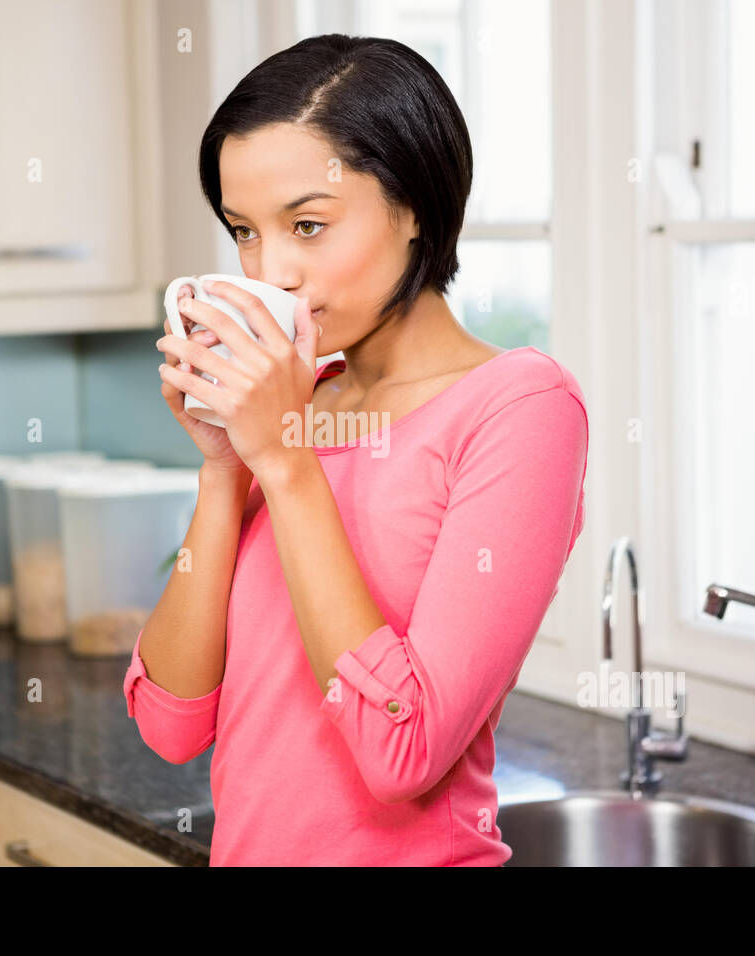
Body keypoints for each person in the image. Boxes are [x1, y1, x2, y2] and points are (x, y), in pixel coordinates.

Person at [130, 33, 588, 865]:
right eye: (245, 232)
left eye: (308, 225)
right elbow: (170, 721)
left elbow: (400, 756)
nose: (275, 272)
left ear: (413, 208)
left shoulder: (519, 408)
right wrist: (223, 465)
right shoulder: (291, 409)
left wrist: (285, 465)